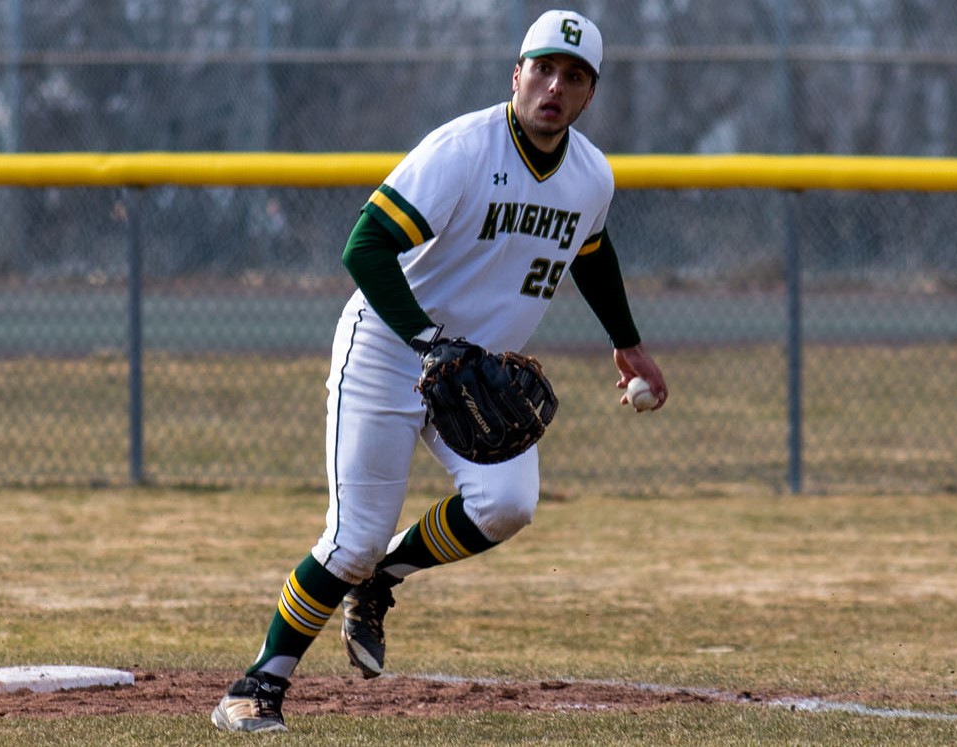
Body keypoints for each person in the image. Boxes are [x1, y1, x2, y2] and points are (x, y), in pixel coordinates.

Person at [212, 8, 668, 733]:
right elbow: (364, 246)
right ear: (515, 74)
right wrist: (427, 339)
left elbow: (592, 252)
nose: (555, 84)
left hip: (475, 373)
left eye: (574, 76)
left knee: (506, 503)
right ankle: (256, 684)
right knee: (350, 538)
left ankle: (382, 581)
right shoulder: (462, 149)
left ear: (589, 95)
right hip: (389, 349)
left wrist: (628, 341)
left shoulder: (590, 175)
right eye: (543, 68)